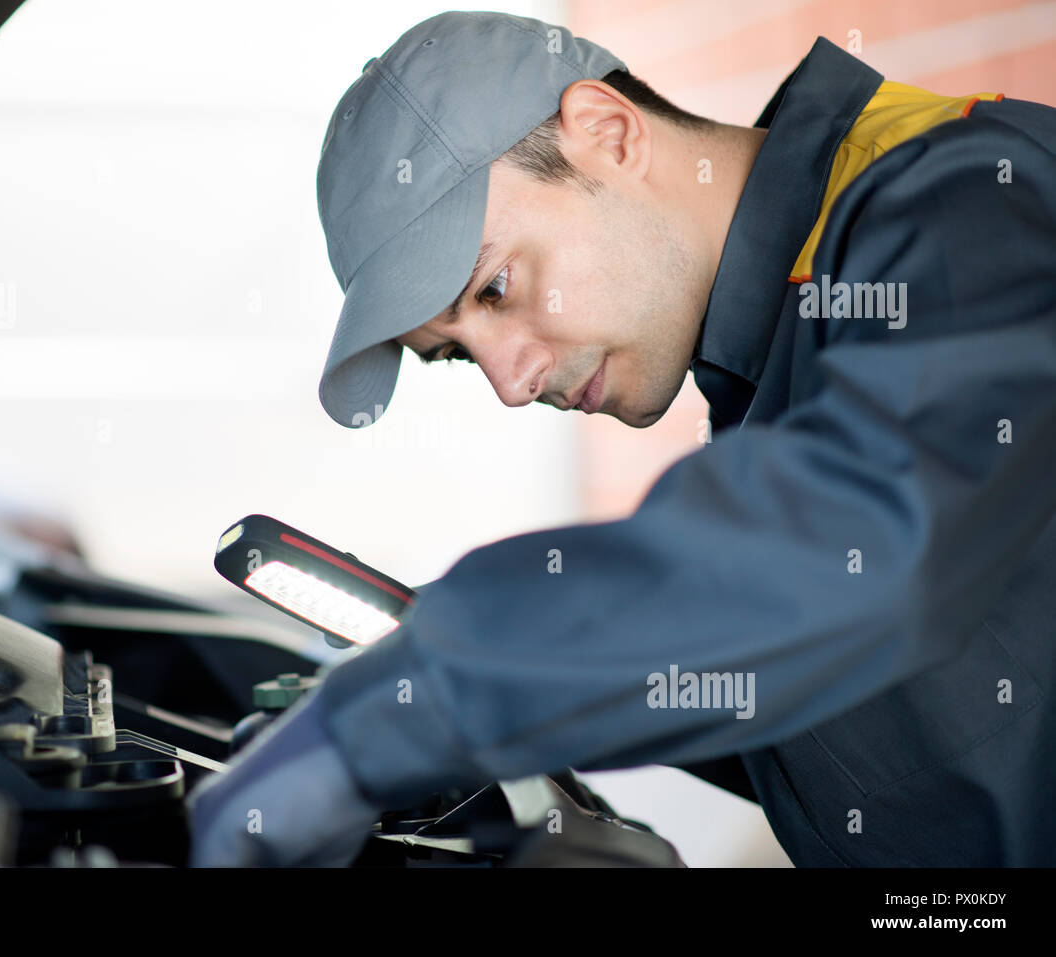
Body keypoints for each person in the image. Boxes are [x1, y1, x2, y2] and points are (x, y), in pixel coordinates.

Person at [189, 10, 1056, 867]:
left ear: (608, 132)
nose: (511, 383)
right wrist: (446, 641)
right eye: (457, 355)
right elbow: (840, 692)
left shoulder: (966, 197)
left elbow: (854, 554)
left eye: (495, 288)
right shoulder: (776, 354)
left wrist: (408, 702)